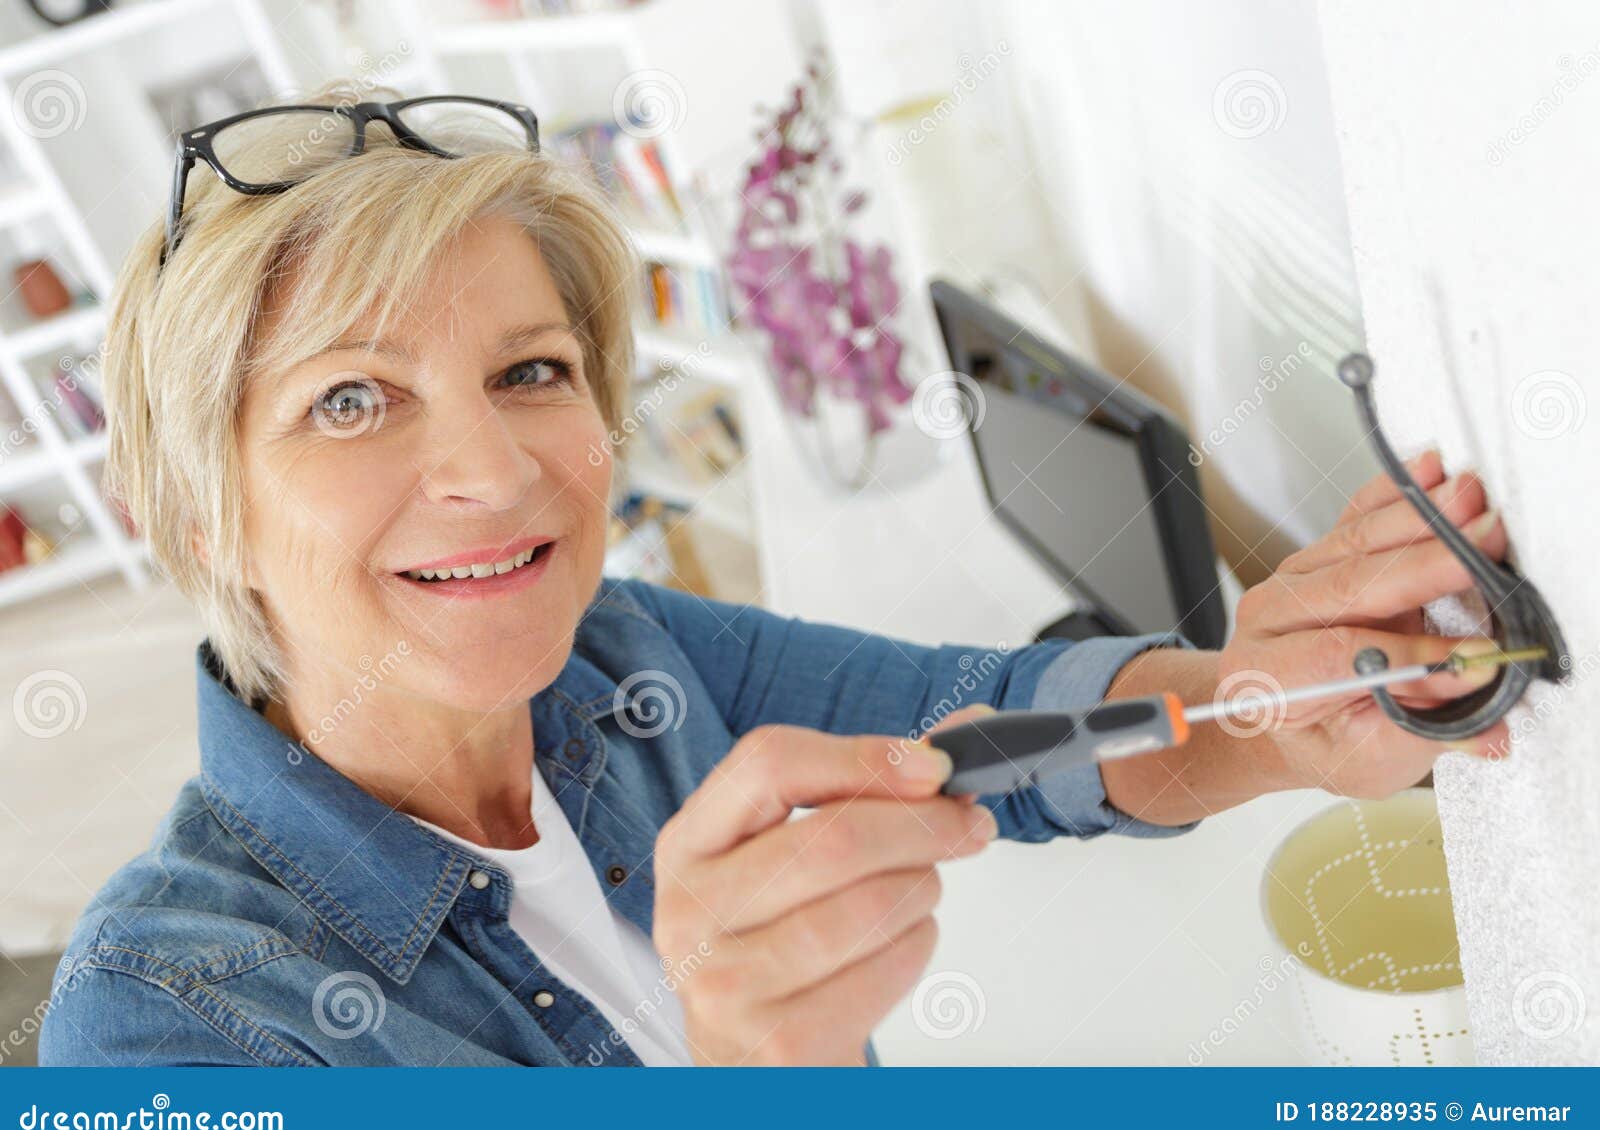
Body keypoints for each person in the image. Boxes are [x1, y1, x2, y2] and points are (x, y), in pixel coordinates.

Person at [39, 84, 1511, 1067]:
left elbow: (985, 722)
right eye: (350, 399)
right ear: (196, 517)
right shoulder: (158, 1021)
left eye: (532, 369)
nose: (491, 473)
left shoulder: (624, 661)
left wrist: (1255, 703)